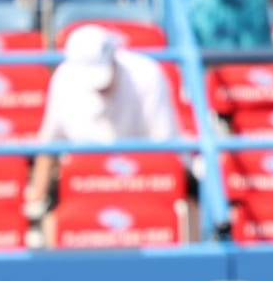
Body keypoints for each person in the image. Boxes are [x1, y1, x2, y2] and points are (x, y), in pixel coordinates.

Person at [24, 25, 181, 215]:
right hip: (87, 181)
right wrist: (37, 196)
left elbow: (165, 149)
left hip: (142, 178)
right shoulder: (64, 80)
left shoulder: (148, 75)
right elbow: (49, 143)